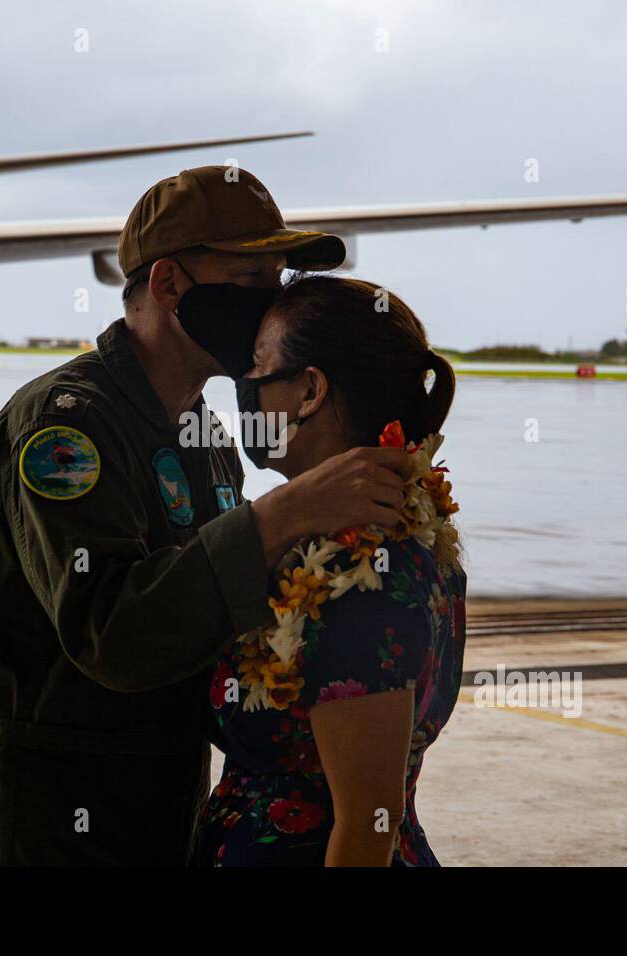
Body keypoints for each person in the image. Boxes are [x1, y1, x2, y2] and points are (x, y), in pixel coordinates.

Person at [0, 166, 415, 866]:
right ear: (169, 284)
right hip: (29, 822)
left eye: (278, 280)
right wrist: (283, 515)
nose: (271, 304)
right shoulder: (67, 428)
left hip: (153, 810)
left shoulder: (204, 437)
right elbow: (113, 634)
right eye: (251, 278)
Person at [193, 275, 467, 866]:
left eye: (259, 365)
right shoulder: (378, 528)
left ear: (310, 390)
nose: (245, 386)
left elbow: (367, 822)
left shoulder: (356, 575)